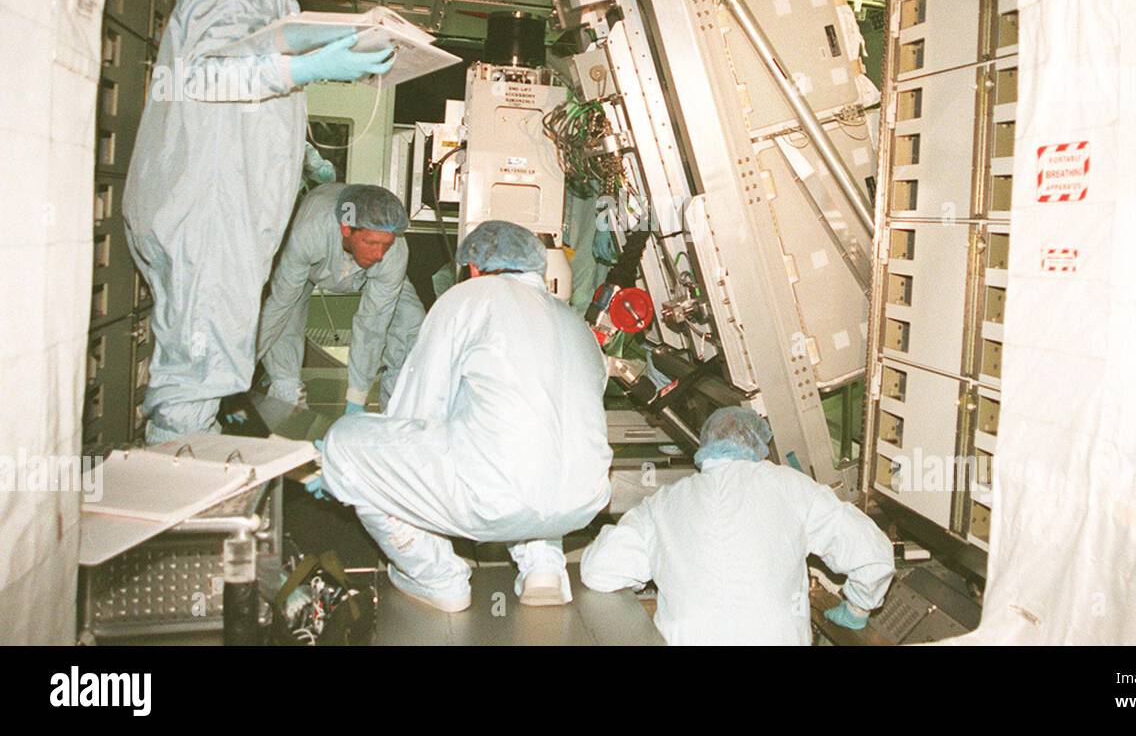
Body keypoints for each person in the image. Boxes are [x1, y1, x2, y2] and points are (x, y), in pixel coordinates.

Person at [124, 0, 394, 444]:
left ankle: (184, 475)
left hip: (217, 213)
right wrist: (309, 65)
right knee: (196, 375)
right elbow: (202, 74)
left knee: (203, 364)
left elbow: (251, 102)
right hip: (208, 210)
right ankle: (180, 495)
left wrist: (305, 83)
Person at [320, 220, 613, 610]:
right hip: (583, 501)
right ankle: (544, 566)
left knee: (346, 445)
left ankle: (439, 578)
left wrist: (352, 459)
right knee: (529, 444)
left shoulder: (467, 298)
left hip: (493, 498)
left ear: (473, 267)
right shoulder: (572, 319)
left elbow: (418, 406)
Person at [579, 406, 895, 645]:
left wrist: (650, 571)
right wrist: (856, 610)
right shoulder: (790, 486)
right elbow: (873, 554)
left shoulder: (662, 504)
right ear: (759, 443)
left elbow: (598, 571)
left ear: (705, 447)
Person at [256, 183, 424, 415]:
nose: (378, 254)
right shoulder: (308, 233)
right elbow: (278, 307)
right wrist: (241, 370)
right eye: (371, 243)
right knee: (286, 315)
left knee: (411, 323)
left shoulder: (392, 253)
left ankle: (400, 414)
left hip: (370, 275)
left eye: (385, 244)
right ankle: (288, 399)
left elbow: (371, 324)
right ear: (346, 229)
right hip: (309, 265)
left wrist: (356, 399)